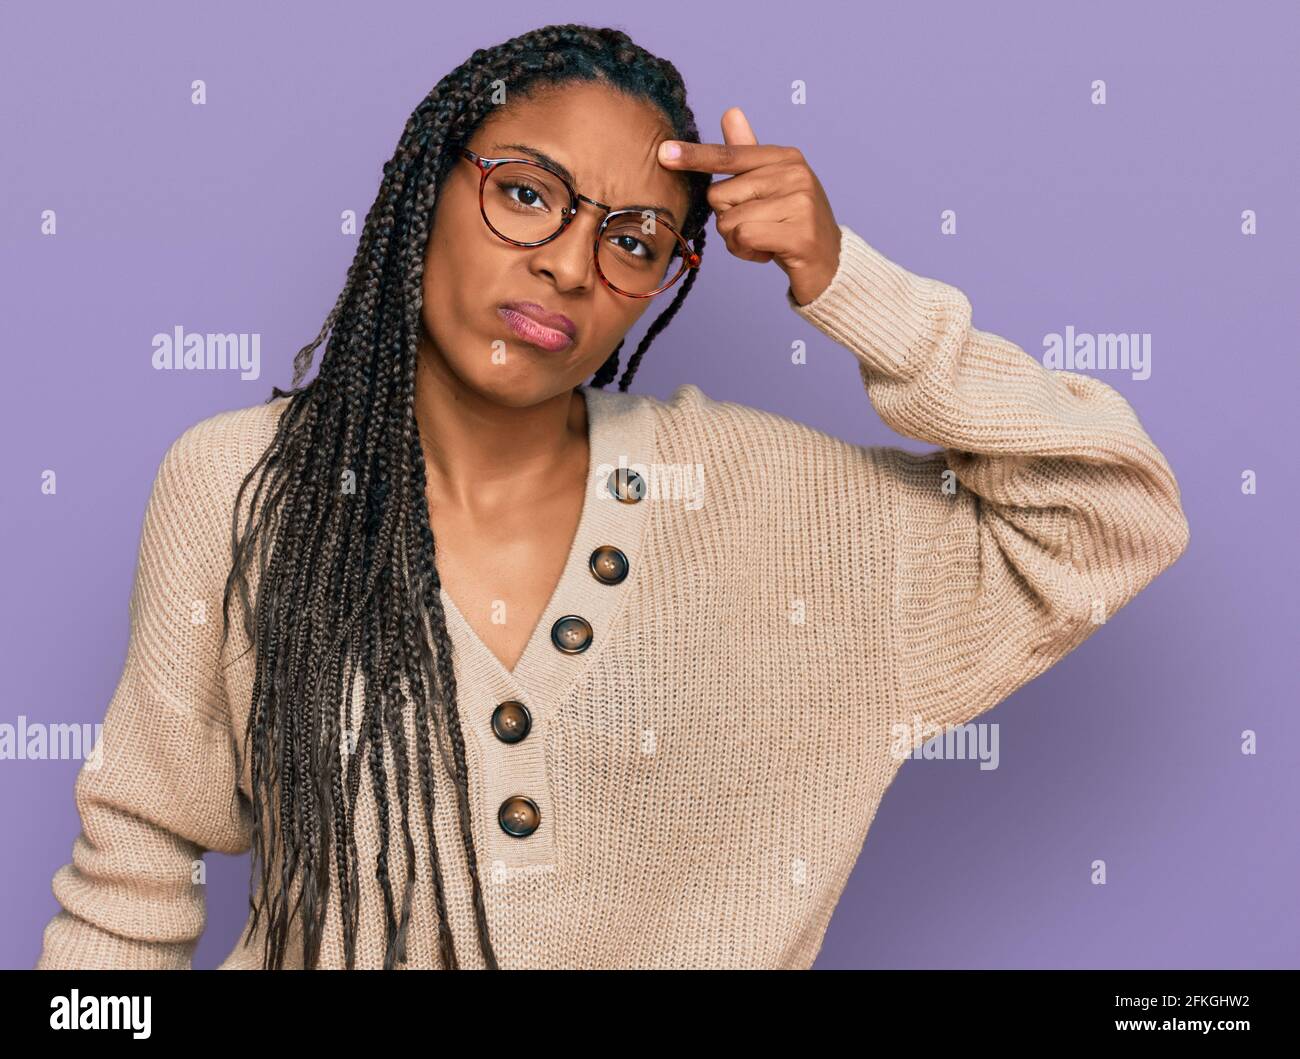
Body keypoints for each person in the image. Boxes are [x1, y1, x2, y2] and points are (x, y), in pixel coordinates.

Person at [35, 23, 1189, 971]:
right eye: (529, 196)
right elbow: (128, 890)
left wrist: (850, 284)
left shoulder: (780, 514)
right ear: (421, 187)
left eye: (635, 240)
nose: (572, 266)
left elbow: (1109, 510)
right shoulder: (242, 485)